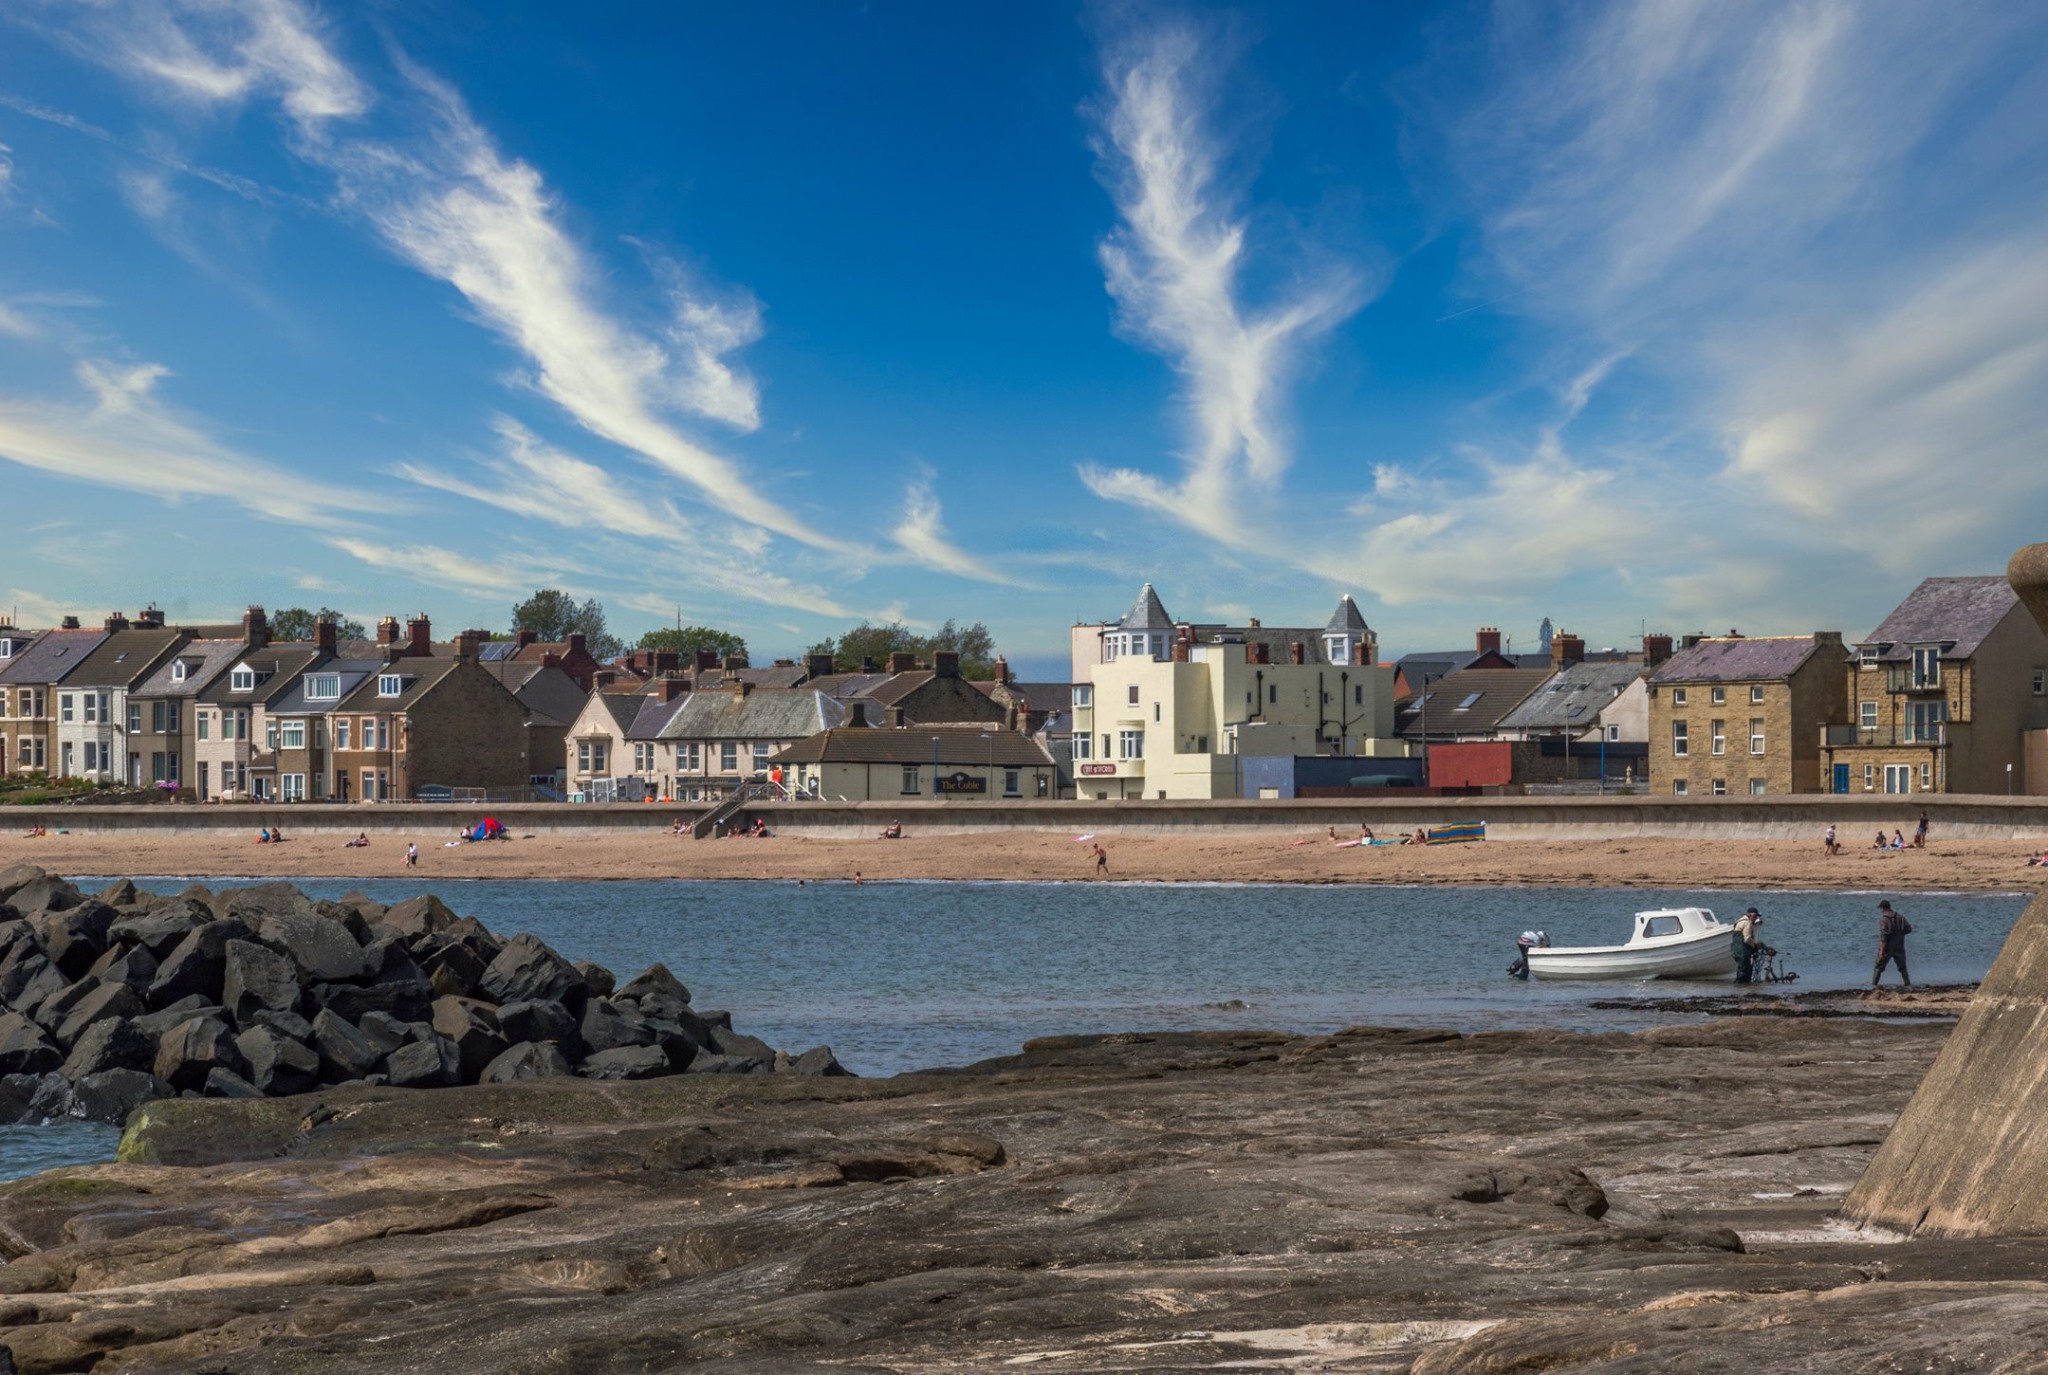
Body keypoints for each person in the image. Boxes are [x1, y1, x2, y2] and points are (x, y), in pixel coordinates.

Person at [1874, 900, 1912, 987]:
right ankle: (1908, 984)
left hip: (1887, 948)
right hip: (1899, 946)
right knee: (1902, 967)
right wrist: (1899, 935)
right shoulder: (1901, 918)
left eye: (1881, 909)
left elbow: (1883, 937)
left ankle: (1874, 985)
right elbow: (1909, 929)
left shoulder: (1884, 920)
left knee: (1878, 967)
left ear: (1883, 908)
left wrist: (1881, 951)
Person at [1732, 906, 1765, 985]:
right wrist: (1755, 945)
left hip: (1736, 951)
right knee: (1745, 971)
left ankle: (1739, 988)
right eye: (1756, 916)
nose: (1756, 919)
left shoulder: (1739, 922)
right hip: (1743, 952)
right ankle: (1742, 987)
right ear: (1751, 915)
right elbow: (1747, 939)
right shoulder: (1747, 923)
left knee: (1742, 969)